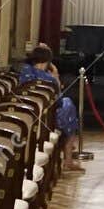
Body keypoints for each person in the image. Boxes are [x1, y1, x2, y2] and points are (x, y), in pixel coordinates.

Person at [20, 43, 84, 172]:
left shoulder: (24, 72)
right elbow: (58, 99)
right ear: (47, 62)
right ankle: (68, 159)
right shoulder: (49, 78)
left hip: (26, 115)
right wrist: (56, 75)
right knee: (68, 106)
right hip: (47, 118)